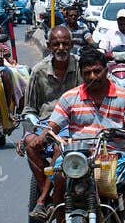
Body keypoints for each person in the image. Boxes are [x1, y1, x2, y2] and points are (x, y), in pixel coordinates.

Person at [33, 47, 125, 223]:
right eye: (87, 72)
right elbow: (53, 125)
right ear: (81, 73)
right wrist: (42, 137)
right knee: (59, 176)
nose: (92, 76)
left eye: (97, 71)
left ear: (106, 70)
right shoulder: (70, 97)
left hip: (114, 156)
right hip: (78, 157)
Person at [20, 26, 81, 194]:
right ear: (48, 45)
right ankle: (45, 188)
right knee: (29, 143)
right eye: (56, 44)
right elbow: (30, 109)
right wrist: (27, 133)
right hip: (45, 124)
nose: (61, 48)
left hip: (74, 124)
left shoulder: (81, 67)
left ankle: (47, 194)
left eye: (65, 44)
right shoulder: (39, 71)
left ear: (71, 44)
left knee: (58, 147)